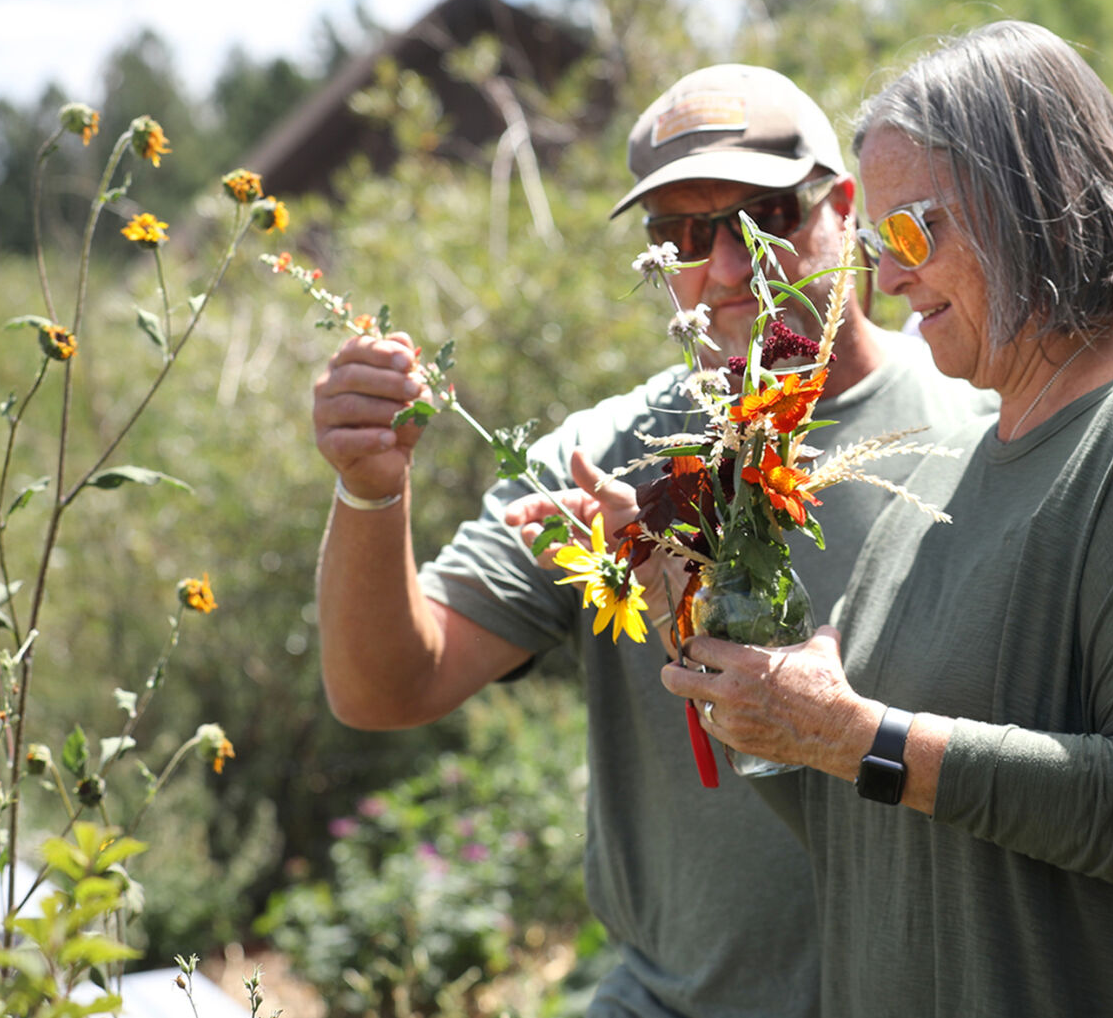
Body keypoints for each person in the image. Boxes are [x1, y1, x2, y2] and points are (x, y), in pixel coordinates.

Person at [660, 21, 1113, 1015]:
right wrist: (748, 687)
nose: (888, 277)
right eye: (875, 244)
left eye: (912, 232)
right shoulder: (957, 464)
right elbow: (881, 816)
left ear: (1034, 206)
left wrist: (856, 735)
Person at [310, 63, 989, 1018]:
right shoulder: (602, 459)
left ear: (844, 209)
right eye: (678, 233)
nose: (721, 267)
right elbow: (387, 687)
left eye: (765, 216)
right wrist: (370, 493)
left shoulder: (986, 420)